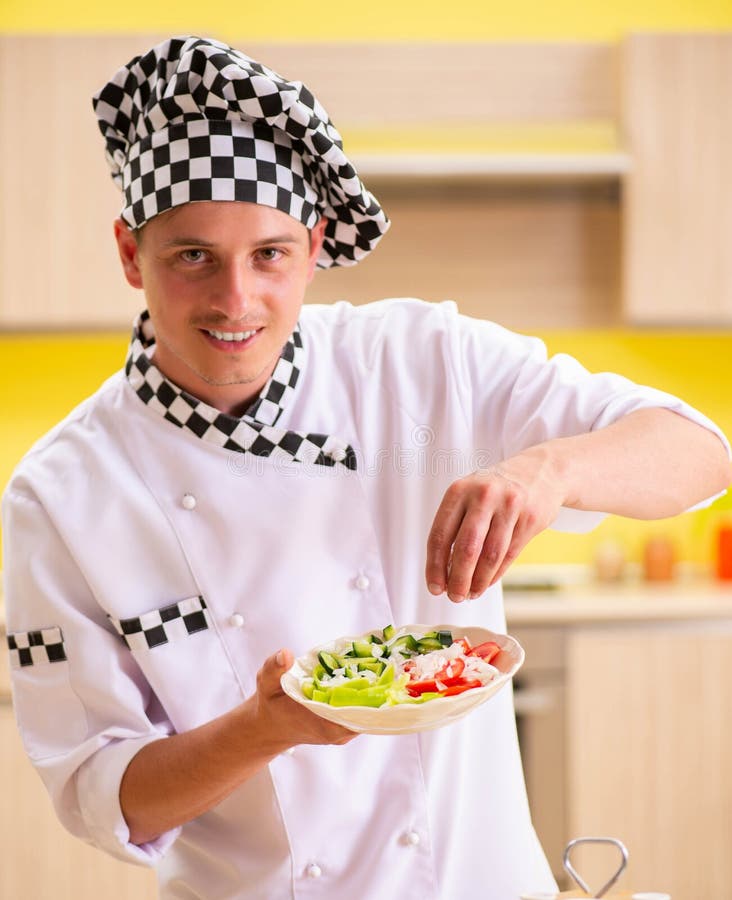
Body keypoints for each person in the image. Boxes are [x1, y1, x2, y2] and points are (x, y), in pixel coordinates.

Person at [2, 35, 730, 900]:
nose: (236, 300)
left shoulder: (422, 362)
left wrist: (548, 471)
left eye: (269, 254)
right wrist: (264, 730)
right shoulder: (62, 494)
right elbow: (101, 798)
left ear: (313, 247)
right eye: (193, 256)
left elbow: (697, 449)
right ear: (131, 255)